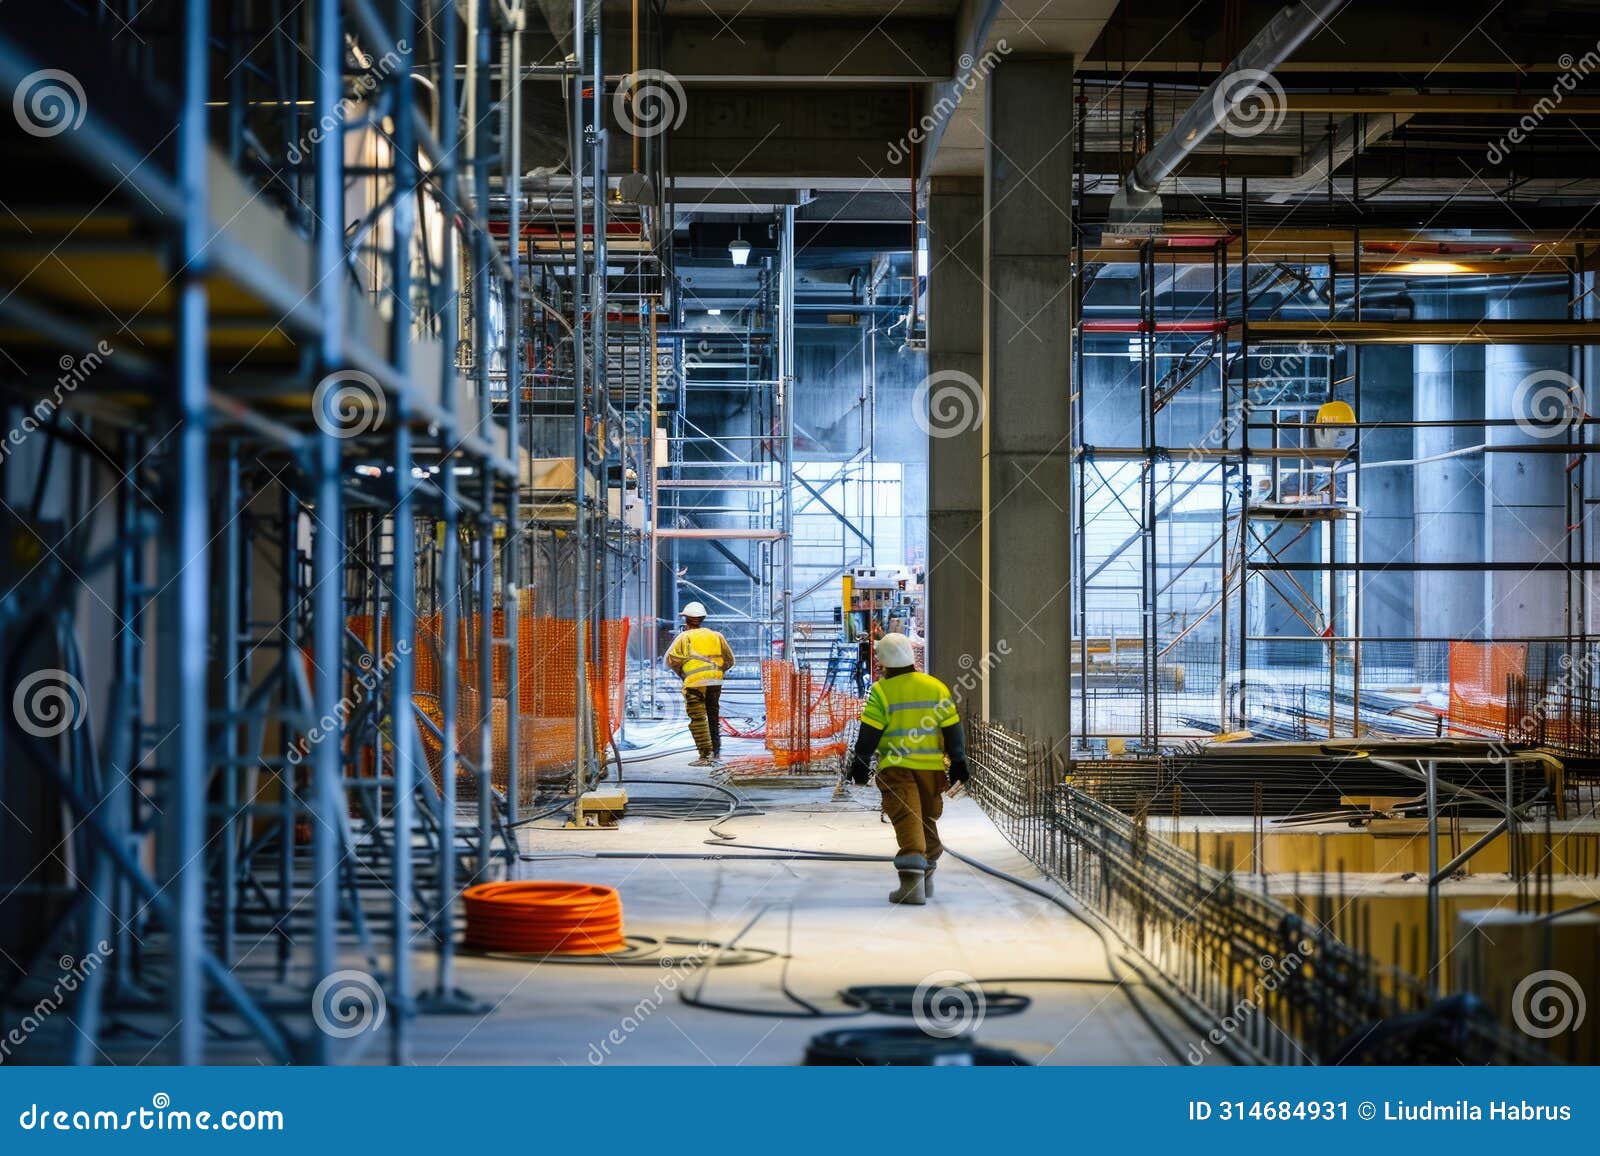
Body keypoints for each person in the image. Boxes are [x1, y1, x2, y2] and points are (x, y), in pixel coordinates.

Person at [846, 632, 969, 905]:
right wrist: (959, 761)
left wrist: (861, 762)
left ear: (883, 664)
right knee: (925, 818)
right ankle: (926, 872)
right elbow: (952, 729)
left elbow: (869, 734)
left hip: (896, 768)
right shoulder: (936, 687)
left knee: (907, 817)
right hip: (931, 770)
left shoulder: (881, 691)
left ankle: (912, 884)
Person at [665, 602, 735, 767]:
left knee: (698, 718)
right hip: (715, 682)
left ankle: (705, 755)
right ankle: (716, 752)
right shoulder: (717, 636)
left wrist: (683, 674)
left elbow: (671, 661)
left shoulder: (684, 637)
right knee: (712, 715)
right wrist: (716, 673)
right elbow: (730, 660)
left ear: (687, 619)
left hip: (695, 683)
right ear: (702, 618)